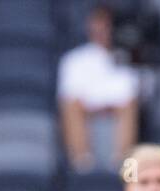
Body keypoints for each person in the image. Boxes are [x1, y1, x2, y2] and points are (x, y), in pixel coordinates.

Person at [57, 5, 139, 172]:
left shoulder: (126, 58)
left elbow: (127, 94)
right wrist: (98, 106)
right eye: (98, 26)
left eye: (106, 26)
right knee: (71, 107)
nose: (102, 31)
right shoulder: (74, 59)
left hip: (115, 110)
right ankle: (82, 163)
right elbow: (71, 95)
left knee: (128, 107)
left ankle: (121, 163)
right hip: (84, 110)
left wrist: (103, 105)